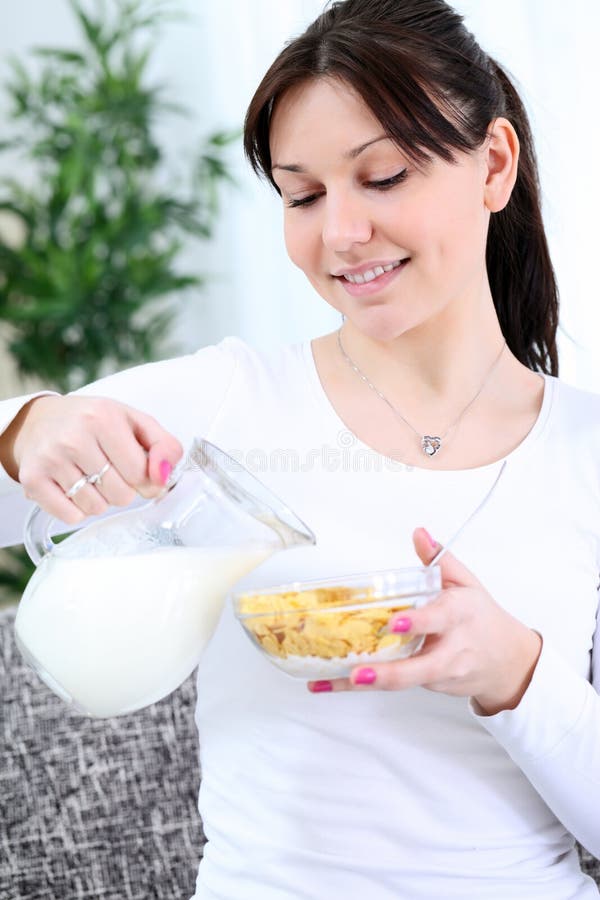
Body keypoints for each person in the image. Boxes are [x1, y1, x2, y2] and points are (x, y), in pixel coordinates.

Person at [1, 0, 599, 896]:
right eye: (304, 196)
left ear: (494, 164)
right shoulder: (229, 401)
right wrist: (27, 428)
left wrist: (515, 673)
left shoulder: (587, 452)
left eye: (383, 176)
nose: (340, 234)